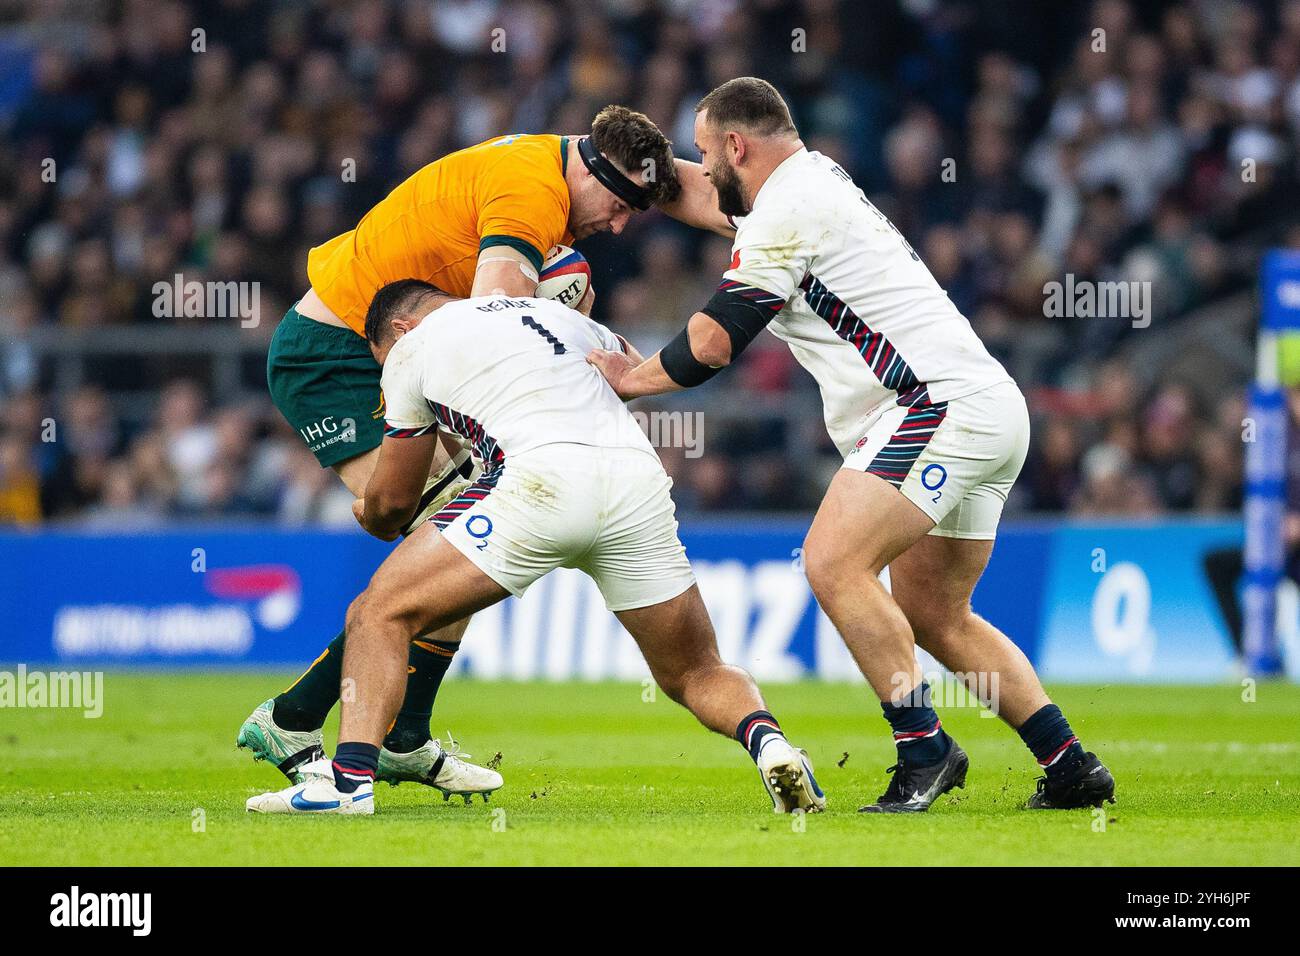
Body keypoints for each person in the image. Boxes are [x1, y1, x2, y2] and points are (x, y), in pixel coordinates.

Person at [591, 77, 1116, 812]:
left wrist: (628, 379)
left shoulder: (783, 214)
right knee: (937, 614)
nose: (701, 169)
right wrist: (596, 165)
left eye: (707, 153)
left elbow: (710, 345)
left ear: (737, 147)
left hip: (932, 406)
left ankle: (924, 748)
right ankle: (1070, 765)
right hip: (987, 407)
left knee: (833, 562)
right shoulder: (812, 182)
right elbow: (698, 196)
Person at [246, 281, 824, 815]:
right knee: (696, 671)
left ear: (398, 330)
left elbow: (396, 502)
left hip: (538, 482)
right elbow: (636, 367)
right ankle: (769, 742)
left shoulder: (410, 350)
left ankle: (348, 784)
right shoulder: (559, 315)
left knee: (379, 612)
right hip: (635, 482)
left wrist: (369, 511)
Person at [237, 106, 680, 801]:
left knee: (467, 526)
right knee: (457, 523)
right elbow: (491, 323)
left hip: (409, 350)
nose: (621, 224)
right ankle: (303, 720)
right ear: (589, 169)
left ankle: (390, 734)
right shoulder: (529, 197)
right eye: (620, 206)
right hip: (338, 353)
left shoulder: (548, 188)